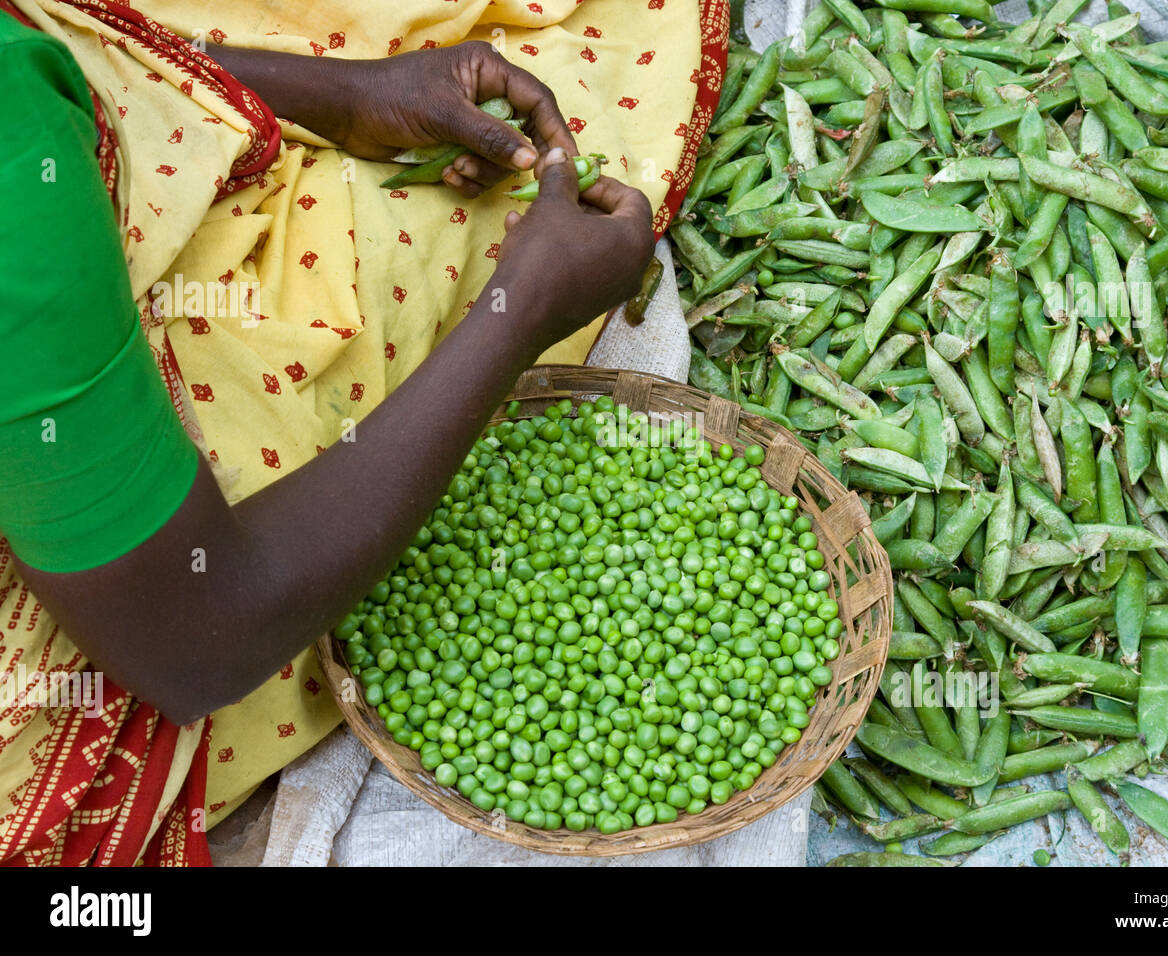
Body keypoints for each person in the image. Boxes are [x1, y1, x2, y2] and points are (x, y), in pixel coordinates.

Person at [0, 0, 719, 865]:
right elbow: (190, 638)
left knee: (397, 212)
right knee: (416, 275)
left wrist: (336, 93)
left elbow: (68, 62)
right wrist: (517, 308)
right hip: (149, 622)